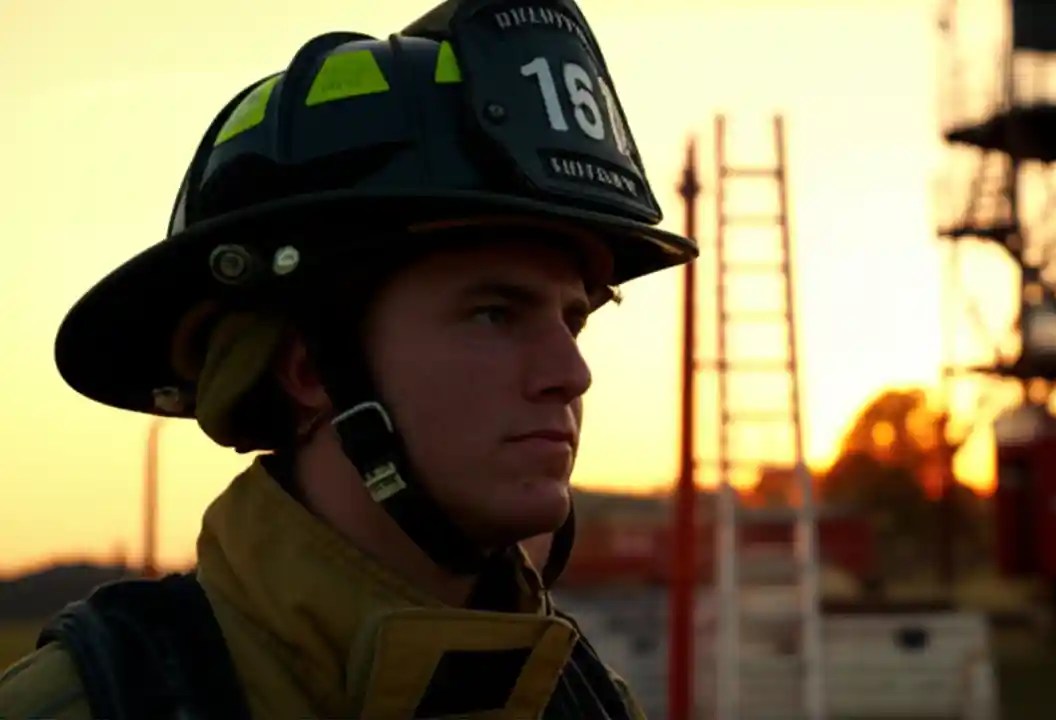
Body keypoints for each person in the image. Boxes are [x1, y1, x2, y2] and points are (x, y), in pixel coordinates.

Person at [0, 0, 696, 717]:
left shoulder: (583, 702)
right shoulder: (95, 705)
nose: (571, 374)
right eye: (494, 313)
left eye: (573, 320)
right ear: (308, 369)